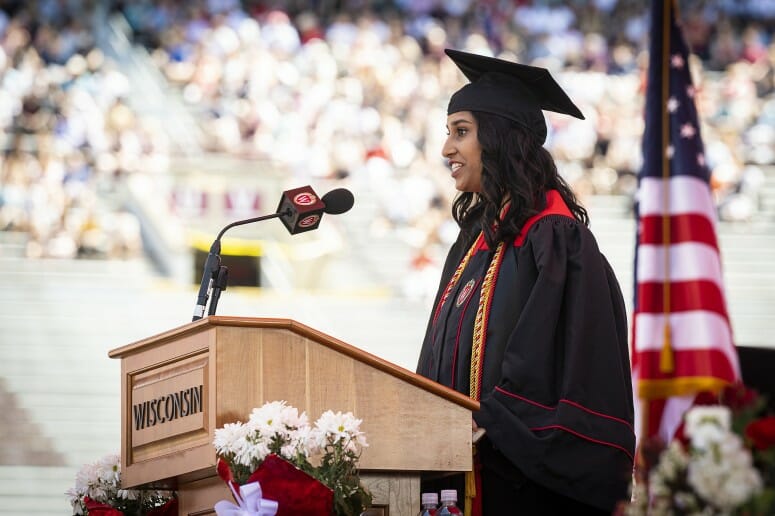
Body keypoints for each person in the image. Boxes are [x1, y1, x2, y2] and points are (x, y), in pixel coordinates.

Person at [416, 49, 635, 515]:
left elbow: (562, 369)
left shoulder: (554, 240)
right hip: (456, 475)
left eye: (461, 132)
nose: (447, 149)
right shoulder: (472, 246)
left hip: (518, 487)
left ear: (499, 137)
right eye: (448, 132)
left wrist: (492, 421)